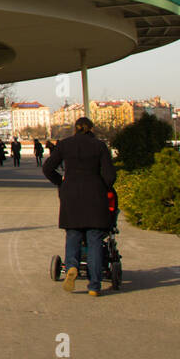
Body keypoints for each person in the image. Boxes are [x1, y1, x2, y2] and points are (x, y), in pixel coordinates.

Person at [42, 117, 116, 296]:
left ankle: (72, 267)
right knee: (95, 240)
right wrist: (104, 186)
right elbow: (110, 175)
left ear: (75, 128)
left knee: (73, 235)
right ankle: (94, 286)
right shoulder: (99, 146)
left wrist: (61, 182)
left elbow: (47, 168)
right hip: (95, 195)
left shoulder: (65, 145)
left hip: (71, 195)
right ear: (91, 129)